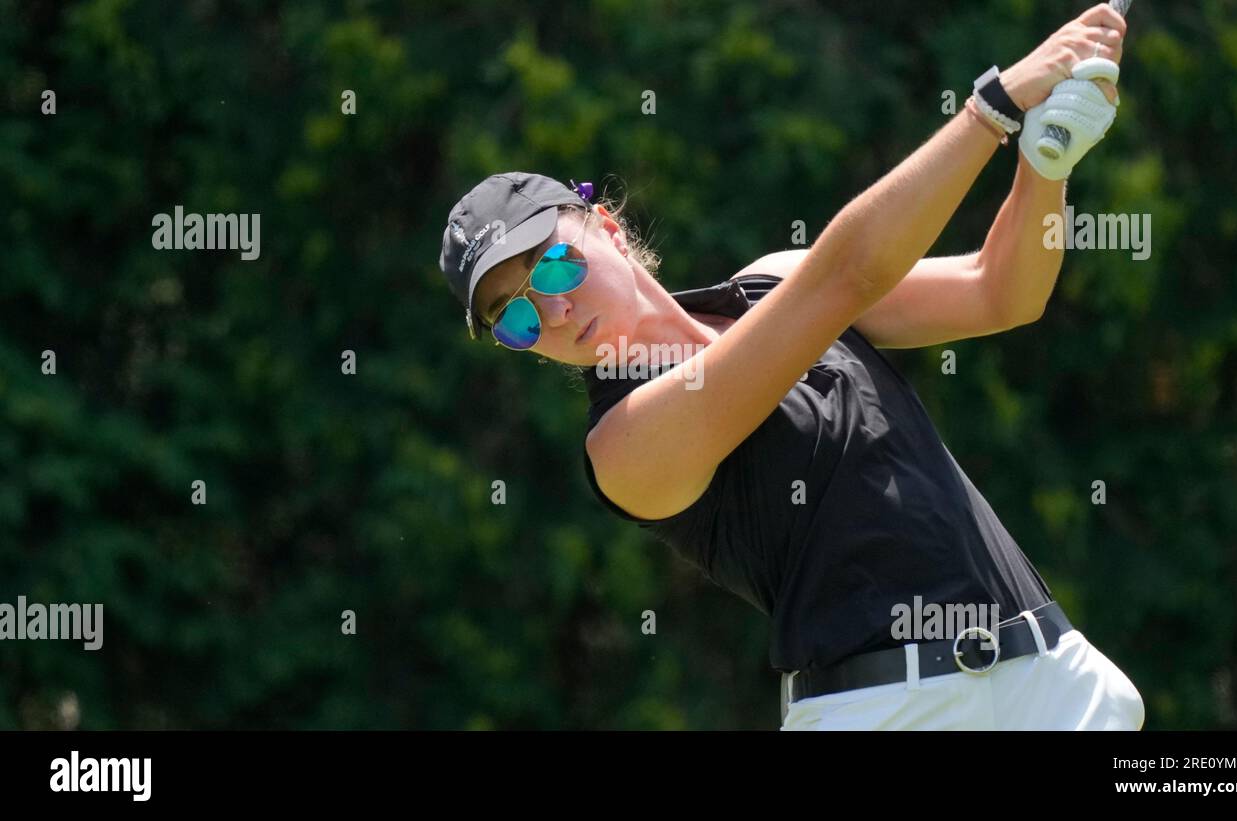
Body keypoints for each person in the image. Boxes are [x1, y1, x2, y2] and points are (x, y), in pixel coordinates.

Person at [437, 4, 1145, 730]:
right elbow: (849, 273)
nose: (551, 313)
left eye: (551, 267)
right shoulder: (624, 446)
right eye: (516, 317)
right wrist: (995, 107)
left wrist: (1044, 163)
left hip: (1053, 683)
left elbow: (1002, 290)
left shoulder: (772, 282)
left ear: (606, 225)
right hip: (887, 712)